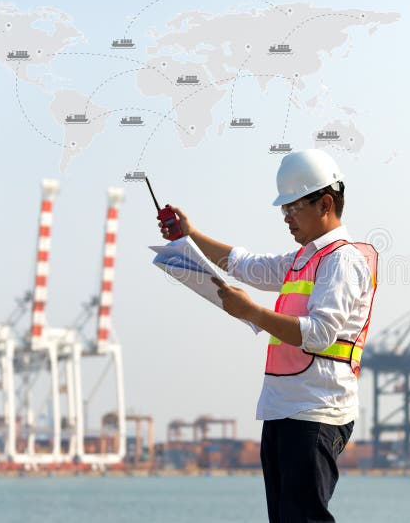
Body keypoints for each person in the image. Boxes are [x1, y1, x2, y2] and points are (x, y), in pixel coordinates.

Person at [159, 149, 377, 522]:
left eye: (293, 207)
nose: (287, 218)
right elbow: (243, 265)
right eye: (284, 210)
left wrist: (252, 312)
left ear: (325, 203)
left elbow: (321, 333)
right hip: (283, 407)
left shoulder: (342, 260)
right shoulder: (303, 259)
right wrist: (190, 236)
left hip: (316, 410)